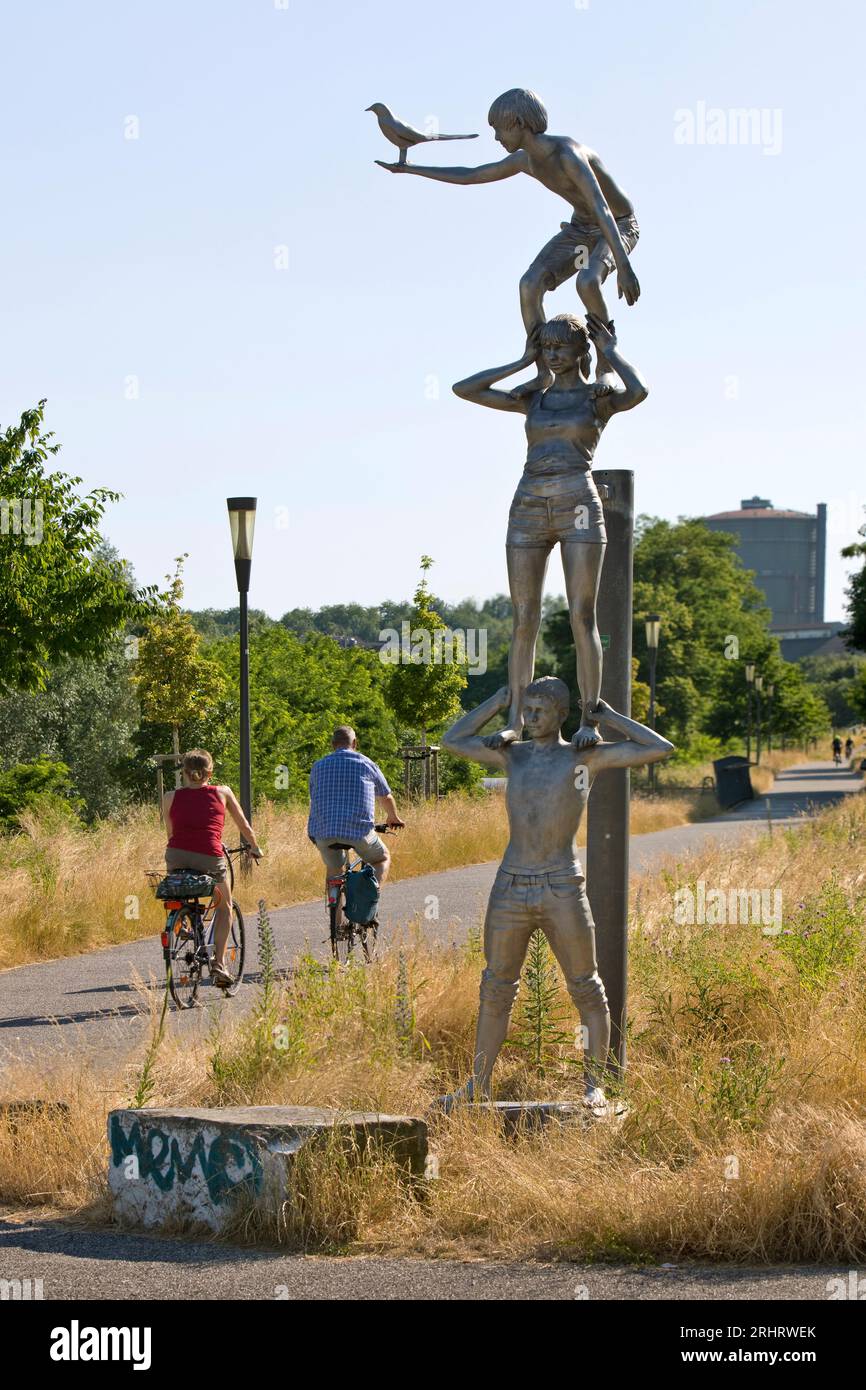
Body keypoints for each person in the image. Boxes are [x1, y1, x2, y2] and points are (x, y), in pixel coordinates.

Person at [440, 678, 674, 1110]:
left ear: (561, 714)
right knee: (495, 987)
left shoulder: (584, 758)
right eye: (526, 711)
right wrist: (499, 702)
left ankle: (595, 1085)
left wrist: (605, 716)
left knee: (586, 987)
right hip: (511, 884)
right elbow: (452, 740)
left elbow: (662, 749)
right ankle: (479, 1084)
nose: (530, 720)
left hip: (561, 885)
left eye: (538, 712)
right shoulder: (513, 755)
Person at [453, 311, 648, 747]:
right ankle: (517, 722)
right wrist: (523, 360)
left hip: (577, 502)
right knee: (525, 618)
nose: (553, 355)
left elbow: (638, 391)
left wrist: (611, 353)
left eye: (561, 347)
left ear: (581, 350)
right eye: (547, 347)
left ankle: (589, 720)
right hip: (527, 504)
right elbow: (464, 389)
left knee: (582, 616)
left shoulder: (597, 396)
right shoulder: (533, 397)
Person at [378, 87, 640, 384]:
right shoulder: (525, 161)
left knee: (588, 281)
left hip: (617, 224)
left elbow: (602, 209)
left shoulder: (567, 154)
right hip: (581, 227)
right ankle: (543, 371)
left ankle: (605, 365)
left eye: (498, 129)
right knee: (529, 284)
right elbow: (472, 175)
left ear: (518, 123)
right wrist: (411, 169)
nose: (497, 138)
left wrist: (624, 267)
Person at [163, 749, 261, 989]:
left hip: (176, 856)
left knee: (179, 890)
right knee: (225, 905)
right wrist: (255, 847)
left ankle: (182, 924)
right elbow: (244, 825)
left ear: (184, 773)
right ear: (210, 772)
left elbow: (171, 832)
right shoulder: (222, 792)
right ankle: (219, 964)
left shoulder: (169, 796)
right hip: (210, 856)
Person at [308, 726, 404, 885]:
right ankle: (370, 896)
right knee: (382, 858)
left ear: (333, 744)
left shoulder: (318, 766)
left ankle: (335, 906)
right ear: (354, 743)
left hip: (323, 833)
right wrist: (393, 817)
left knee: (334, 870)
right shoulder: (366, 763)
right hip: (359, 833)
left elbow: (314, 795)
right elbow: (385, 796)